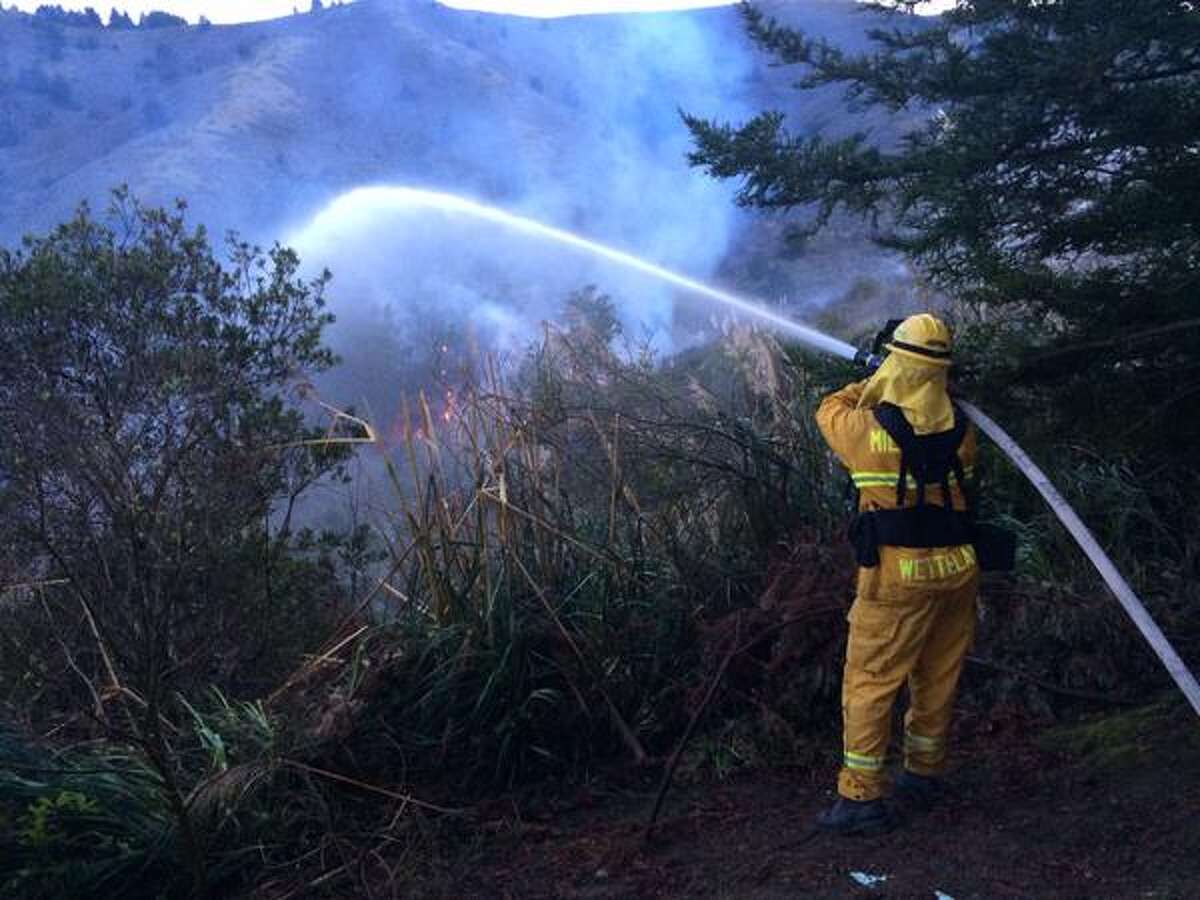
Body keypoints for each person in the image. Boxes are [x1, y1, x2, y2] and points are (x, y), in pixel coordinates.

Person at [814, 313, 979, 835]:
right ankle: (924, 774)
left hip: (897, 577)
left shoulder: (864, 431)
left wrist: (870, 377)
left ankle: (860, 797)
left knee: (870, 682)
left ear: (896, 365)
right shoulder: (965, 431)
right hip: (958, 569)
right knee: (937, 676)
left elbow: (827, 409)